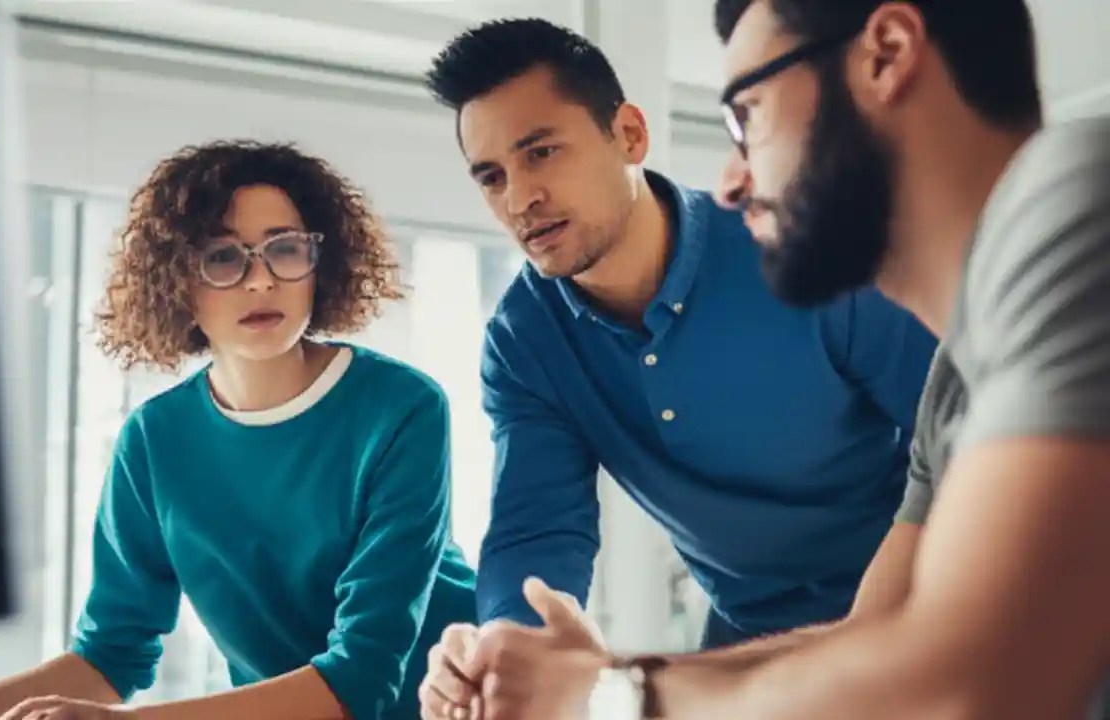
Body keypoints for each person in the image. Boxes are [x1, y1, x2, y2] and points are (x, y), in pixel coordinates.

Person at [454, 0, 1110, 718]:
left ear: (887, 55)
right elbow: (881, 644)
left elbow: (957, 674)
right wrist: (528, 670)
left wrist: (609, 691)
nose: (732, 182)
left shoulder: (1078, 200)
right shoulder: (955, 388)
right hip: (826, 636)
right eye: (489, 177)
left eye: (748, 114)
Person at [0, 141, 477, 720]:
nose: (260, 277)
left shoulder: (401, 408)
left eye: (284, 248)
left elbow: (362, 676)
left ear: (319, 263)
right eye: (222, 256)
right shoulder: (154, 440)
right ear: (176, 282)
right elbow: (112, 653)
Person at [417, 17, 938, 719]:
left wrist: (898, 622)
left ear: (629, 135)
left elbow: (961, 442)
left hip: (918, 599)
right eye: (491, 176)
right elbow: (538, 530)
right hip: (746, 639)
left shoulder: (796, 245)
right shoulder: (522, 343)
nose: (518, 199)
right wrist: (509, 650)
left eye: (540, 152)